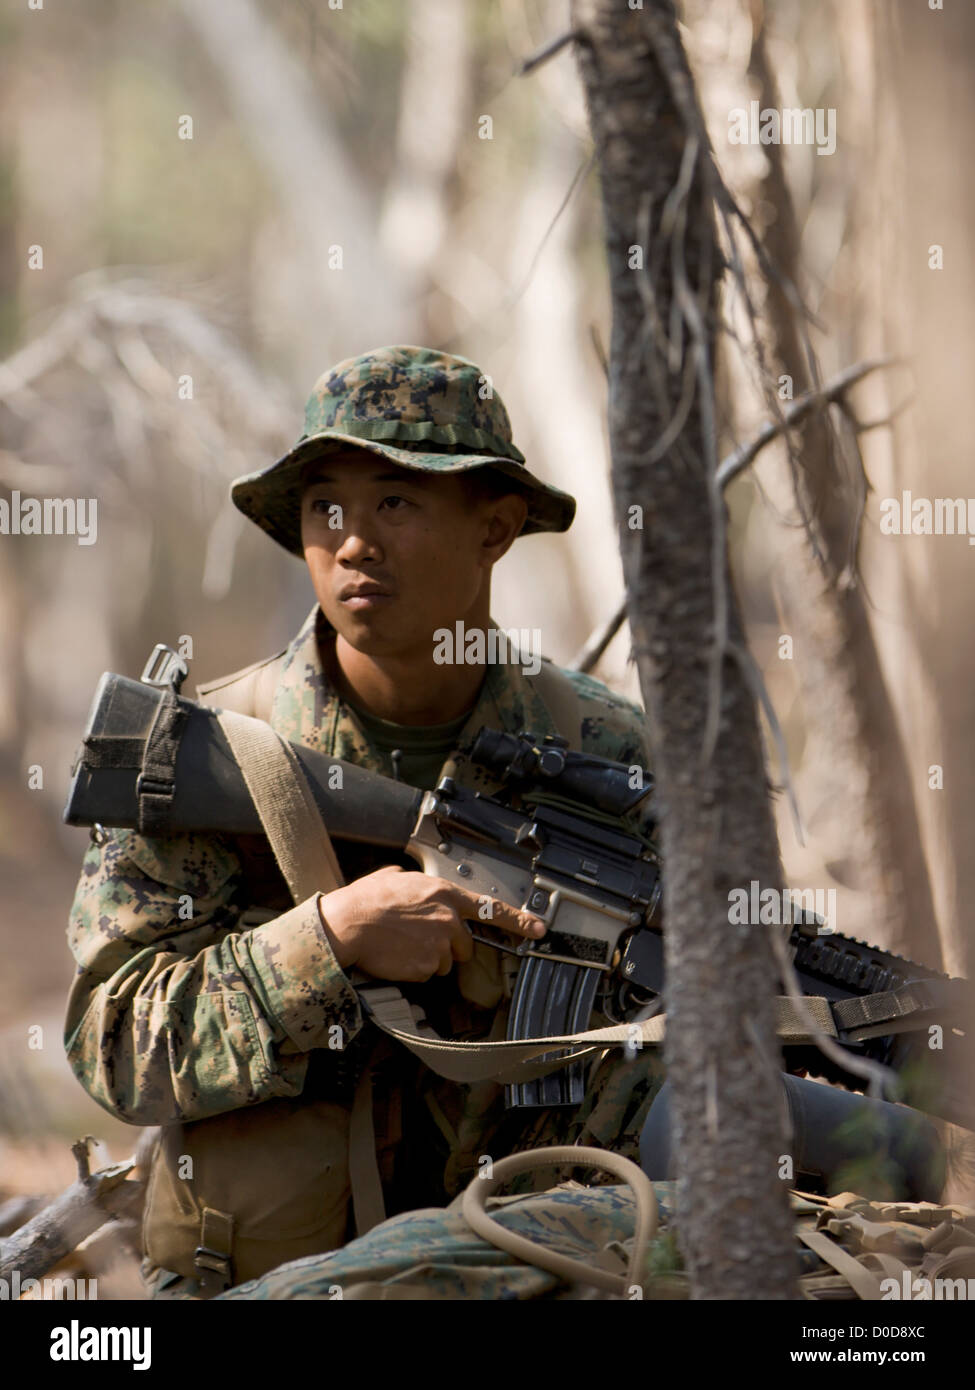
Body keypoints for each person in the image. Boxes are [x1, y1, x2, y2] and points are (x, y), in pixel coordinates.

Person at [64, 345, 663, 1297]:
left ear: (496, 528)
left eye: (395, 501)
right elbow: (115, 1043)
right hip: (270, 1271)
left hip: (546, 1266)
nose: (352, 542)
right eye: (324, 508)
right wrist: (325, 943)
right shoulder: (212, 757)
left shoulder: (607, 755)